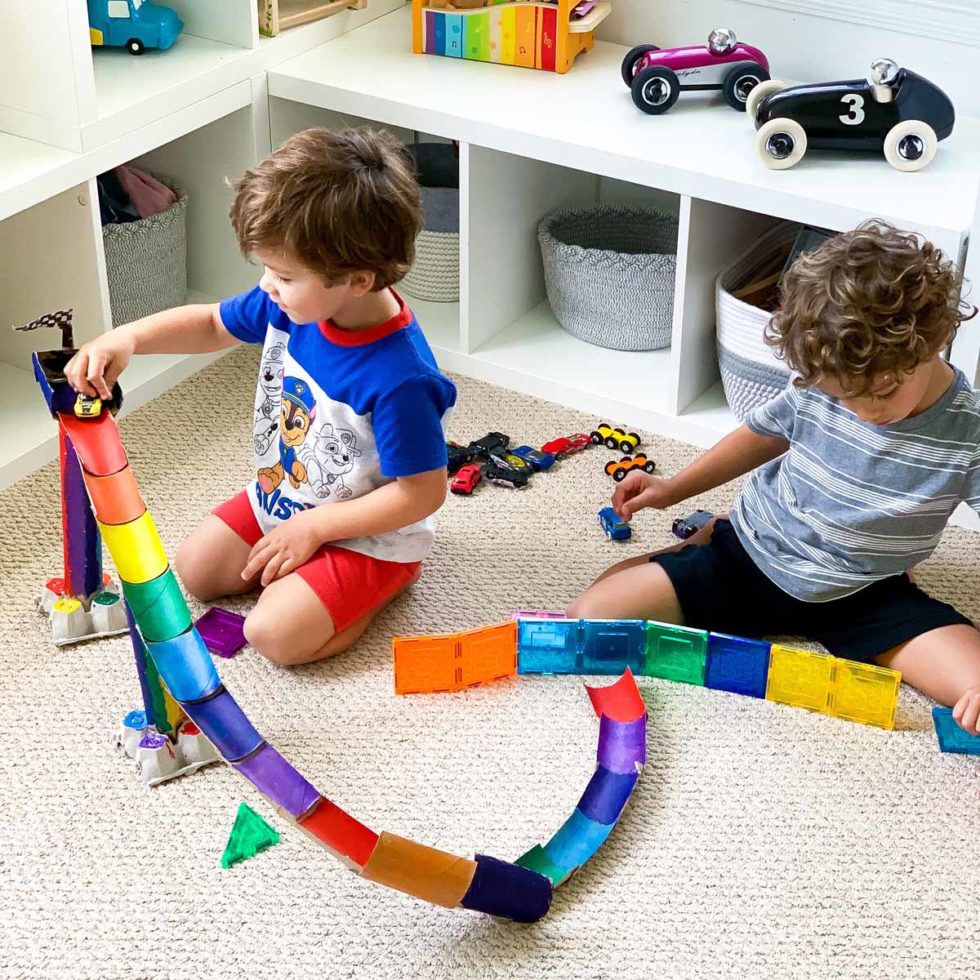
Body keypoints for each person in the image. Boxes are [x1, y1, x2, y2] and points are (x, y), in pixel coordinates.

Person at [569, 221, 980, 734]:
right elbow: (763, 435)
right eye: (841, 394)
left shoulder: (970, 432)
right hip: (751, 555)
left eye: (879, 392)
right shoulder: (827, 376)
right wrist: (672, 488)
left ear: (934, 339)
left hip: (867, 592)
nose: (859, 409)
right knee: (589, 620)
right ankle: (694, 547)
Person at [66, 128, 456, 666]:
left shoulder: (401, 379)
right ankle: (310, 578)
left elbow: (422, 494)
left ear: (358, 280)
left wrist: (317, 529)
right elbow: (209, 325)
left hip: (368, 534)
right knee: (196, 571)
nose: (268, 285)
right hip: (284, 497)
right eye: (267, 270)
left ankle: (383, 589)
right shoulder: (292, 302)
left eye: (285, 275)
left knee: (272, 635)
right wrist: (127, 338)